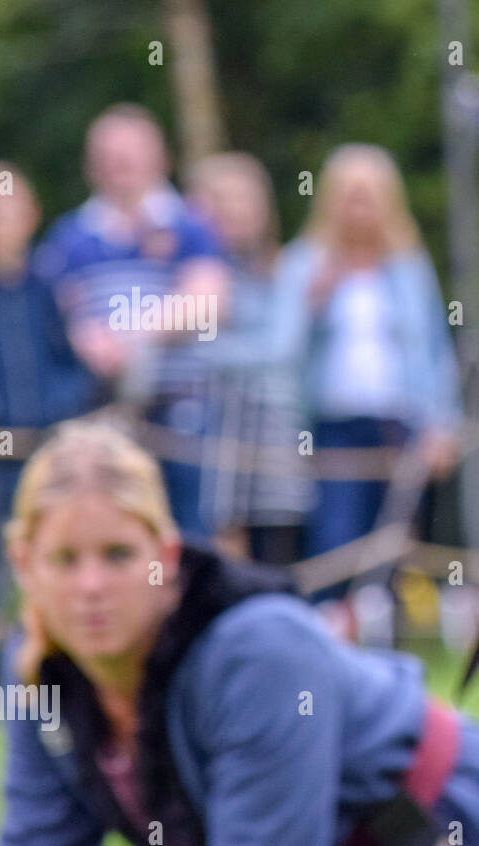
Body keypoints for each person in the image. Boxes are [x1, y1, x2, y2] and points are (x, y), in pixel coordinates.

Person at [0, 422, 479, 846]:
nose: (91, 586)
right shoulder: (38, 672)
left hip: (447, 837)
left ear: (166, 557)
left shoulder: (256, 654)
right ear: (23, 565)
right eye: (65, 560)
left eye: (119, 554)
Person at [273, 144, 463, 633]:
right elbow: (278, 348)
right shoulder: (303, 263)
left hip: (397, 423)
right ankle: (324, 639)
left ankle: (382, 647)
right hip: (329, 425)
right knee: (336, 538)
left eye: (368, 196)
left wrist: (443, 422)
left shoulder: (407, 268)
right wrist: (312, 303)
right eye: (349, 196)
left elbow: (435, 351)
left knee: (392, 543)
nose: (359, 208)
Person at [34, 103, 230, 542]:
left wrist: (130, 339)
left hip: (184, 409)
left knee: (188, 533)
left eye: (129, 156)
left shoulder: (191, 225)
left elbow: (210, 300)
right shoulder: (71, 236)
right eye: (107, 157)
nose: (117, 167)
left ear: (159, 158)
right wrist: (87, 343)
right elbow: (54, 312)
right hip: (102, 413)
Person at [0, 161, 97, 678]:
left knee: (46, 547)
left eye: (11, 210)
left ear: (31, 215)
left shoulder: (45, 287)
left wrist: (56, 409)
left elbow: (70, 364)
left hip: (41, 448)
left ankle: (41, 658)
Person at [184, 152, 312, 565]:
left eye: (242, 199)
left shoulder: (288, 268)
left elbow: (280, 348)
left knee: (276, 547)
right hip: (209, 429)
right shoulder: (194, 271)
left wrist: (206, 348)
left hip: (274, 429)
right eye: (220, 199)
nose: (233, 211)